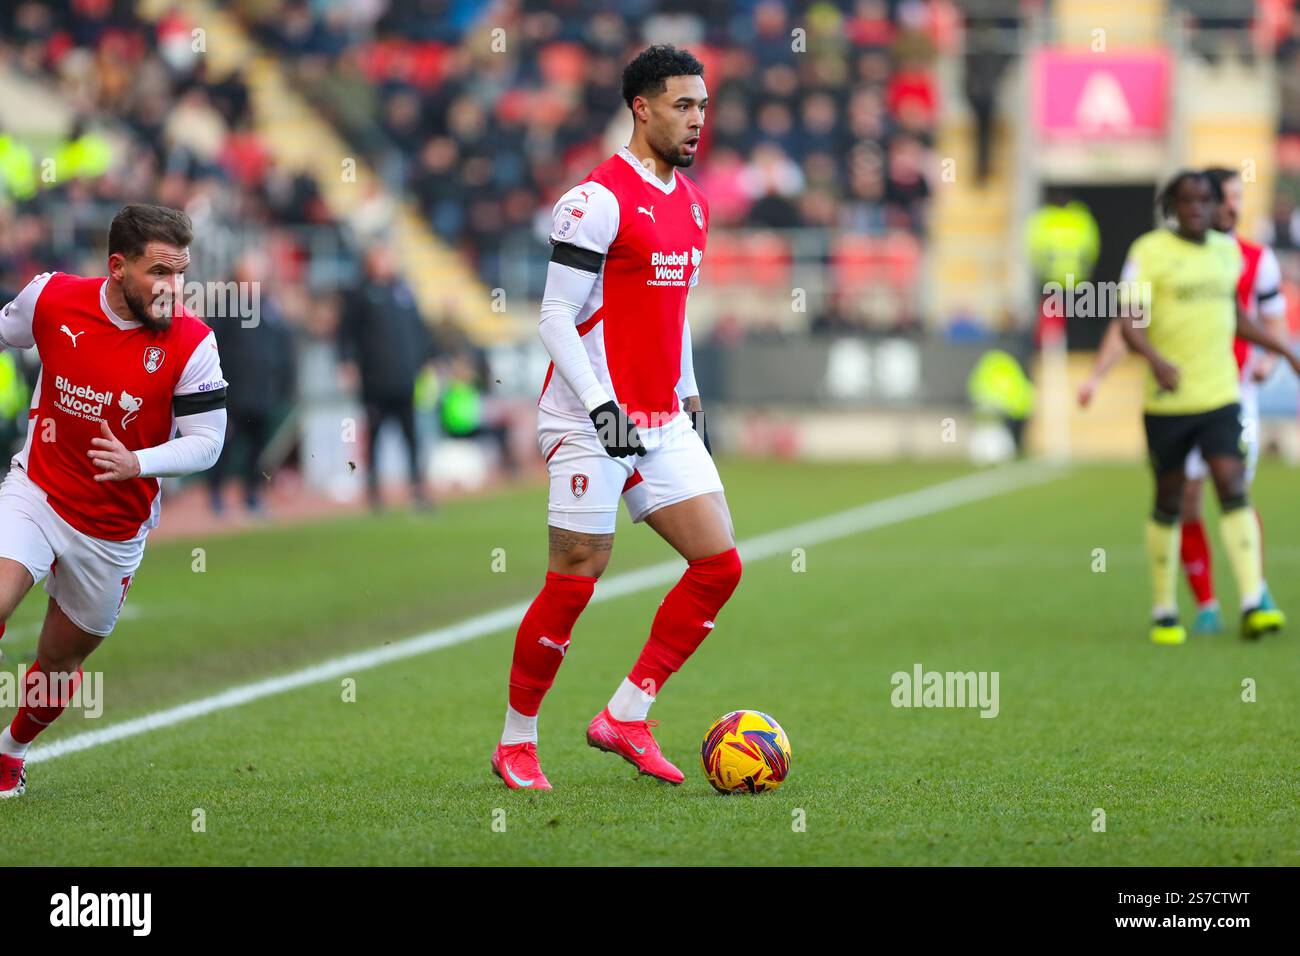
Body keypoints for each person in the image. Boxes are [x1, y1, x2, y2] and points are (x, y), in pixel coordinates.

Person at [491, 44, 740, 791]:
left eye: (702, 105)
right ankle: (517, 740)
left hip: (661, 415)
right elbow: (555, 319)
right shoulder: (595, 199)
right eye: (683, 106)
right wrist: (603, 413)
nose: (698, 120)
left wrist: (689, 393)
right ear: (642, 108)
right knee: (577, 573)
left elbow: (675, 312)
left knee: (718, 564)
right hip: (586, 413)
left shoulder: (692, 205)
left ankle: (626, 714)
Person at [0, 204, 227, 796]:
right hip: (38, 490)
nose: (173, 288)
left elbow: (208, 443)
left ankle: (10, 752)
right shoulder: (51, 297)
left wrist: (138, 463)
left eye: (181, 273)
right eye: (160, 272)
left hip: (112, 529)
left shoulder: (194, 342)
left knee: (58, 661)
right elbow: (6, 330)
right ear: (117, 267)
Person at [1079, 167, 1290, 634]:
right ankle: (1167, 609)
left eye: (1205, 200)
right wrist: (1153, 360)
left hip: (1222, 394)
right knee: (1173, 499)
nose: (1197, 208)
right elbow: (1128, 321)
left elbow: (1238, 315)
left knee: (1232, 485)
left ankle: (1253, 601)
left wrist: (1285, 351)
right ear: (1172, 207)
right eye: (1186, 200)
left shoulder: (1228, 255)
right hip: (1168, 402)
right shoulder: (1149, 253)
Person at [338, 241, 434, 510]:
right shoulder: (360, 294)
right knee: (375, 436)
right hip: (375, 380)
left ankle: (417, 489)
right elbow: (346, 333)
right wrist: (346, 363)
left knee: (412, 437)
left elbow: (419, 331)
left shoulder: (404, 291)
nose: (386, 263)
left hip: (405, 379)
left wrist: (428, 361)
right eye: (381, 258)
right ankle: (374, 492)